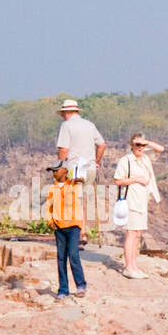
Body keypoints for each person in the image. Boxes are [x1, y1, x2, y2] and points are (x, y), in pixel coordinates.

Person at [112, 133, 164, 278]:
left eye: (142, 145)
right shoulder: (126, 160)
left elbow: (160, 149)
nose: (140, 147)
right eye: (137, 144)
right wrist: (136, 179)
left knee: (138, 234)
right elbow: (117, 180)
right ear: (131, 145)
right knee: (131, 233)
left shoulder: (145, 158)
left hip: (142, 201)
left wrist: (147, 142)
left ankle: (134, 265)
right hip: (130, 201)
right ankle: (129, 267)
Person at [55, 98, 105, 243]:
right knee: (80, 200)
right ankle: (82, 232)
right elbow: (102, 145)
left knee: (73, 201)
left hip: (75, 168)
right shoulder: (89, 125)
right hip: (89, 168)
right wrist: (96, 162)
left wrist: (61, 167)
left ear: (66, 113)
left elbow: (63, 149)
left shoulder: (66, 125)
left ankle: (79, 235)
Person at [42, 165, 87, 298]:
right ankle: (63, 289)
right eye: (53, 171)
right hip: (59, 227)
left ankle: (80, 285)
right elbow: (48, 206)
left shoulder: (73, 185)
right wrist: (50, 221)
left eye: (57, 170)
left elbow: (82, 180)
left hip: (73, 225)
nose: (54, 173)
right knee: (61, 258)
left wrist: (78, 178)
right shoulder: (52, 188)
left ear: (65, 170)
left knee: (73, 255)